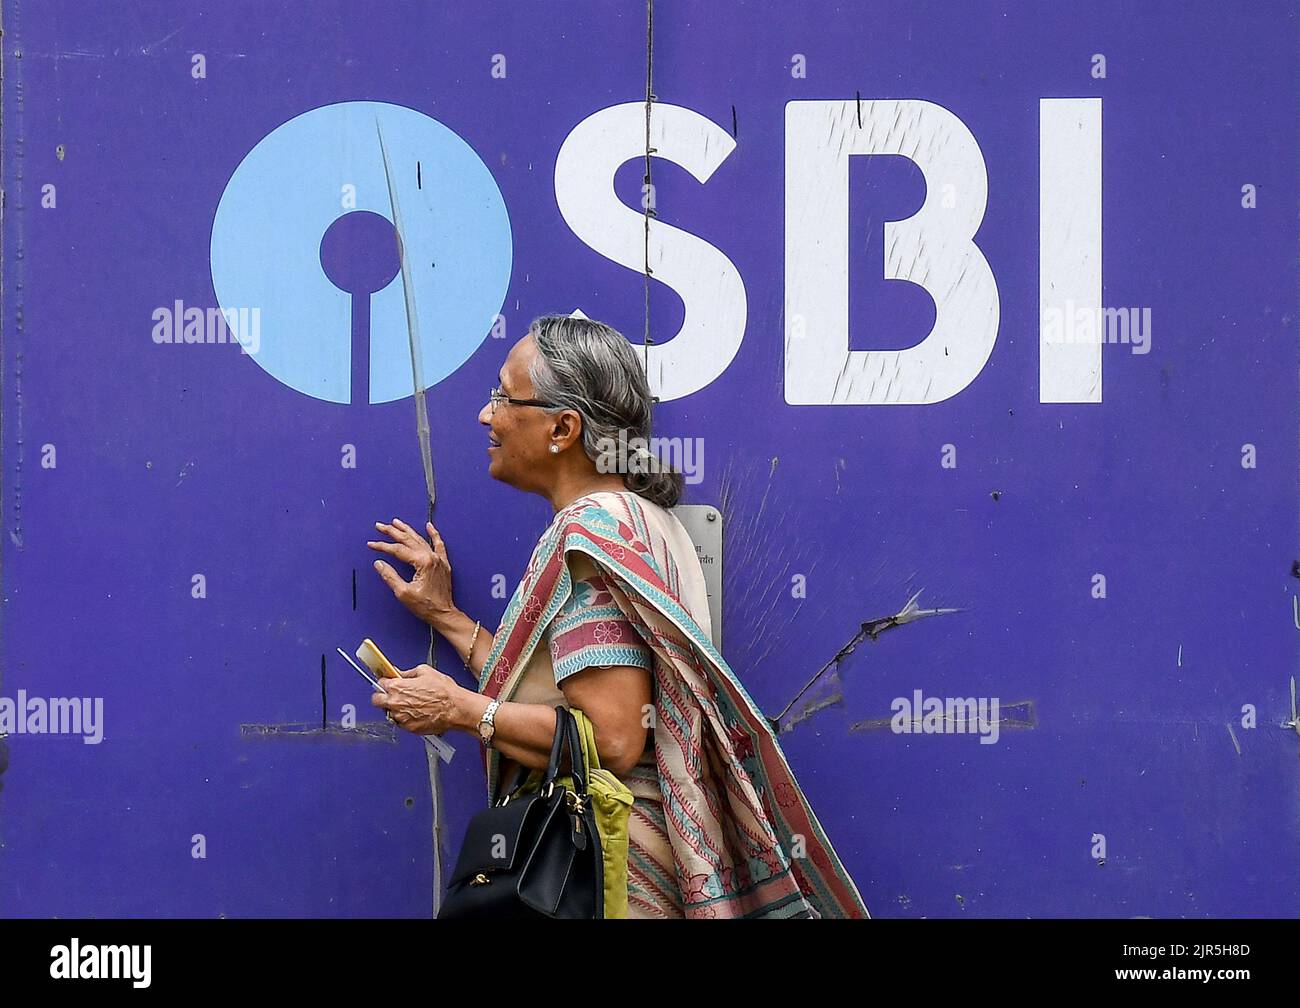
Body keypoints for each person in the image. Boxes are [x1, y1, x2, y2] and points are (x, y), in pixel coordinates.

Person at [367, 313, 868, 919]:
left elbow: (614, 737)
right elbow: (562, 686)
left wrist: (458, 709)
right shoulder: (647, 524)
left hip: (612, 879)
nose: (486, 414)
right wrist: (447, 617)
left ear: (563, 428)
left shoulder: (589, 535)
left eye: (503, 395)